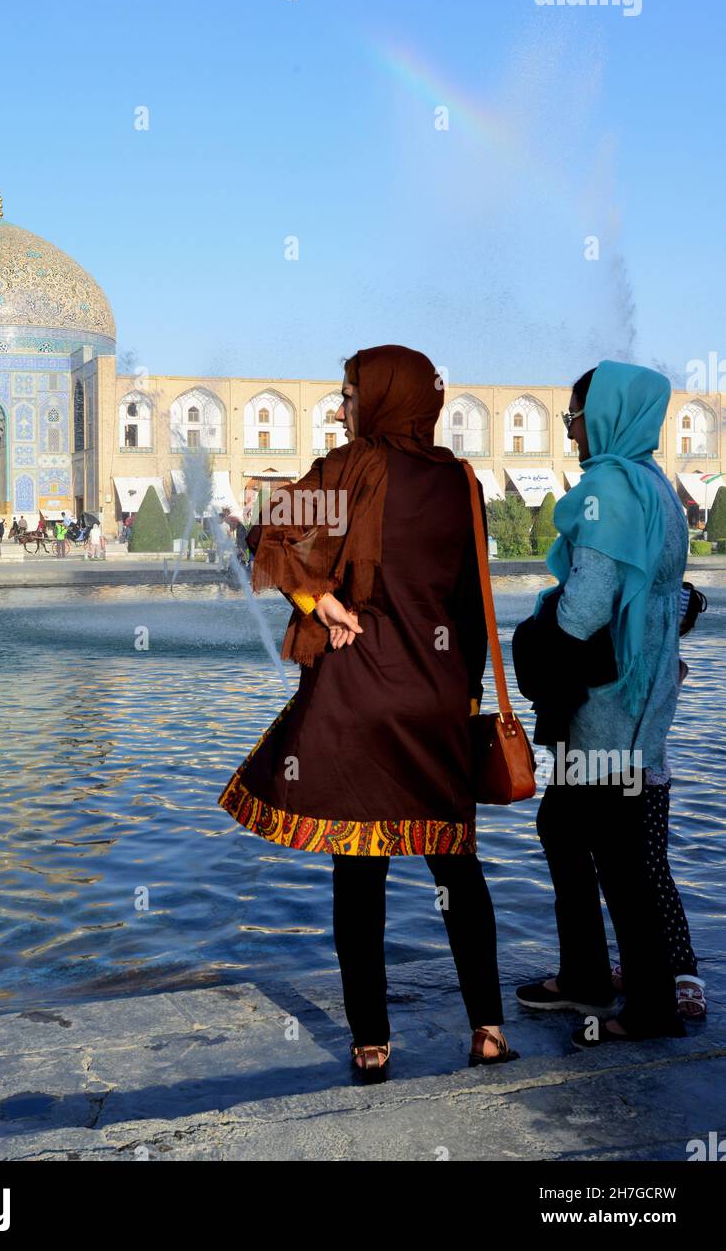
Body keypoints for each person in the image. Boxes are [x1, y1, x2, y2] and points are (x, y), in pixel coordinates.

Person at [218, 344, 518, 1075]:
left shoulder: (350, 469)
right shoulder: (461, 480)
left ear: (380, 398)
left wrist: (318, 597)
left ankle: (371, 1042)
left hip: (359, 687)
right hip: (437, 694)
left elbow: (267, 526)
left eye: (347, 394)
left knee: (360, 873)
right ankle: (487, 1029)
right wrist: (467, 691)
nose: (340, 407)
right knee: (456, 865)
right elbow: (472, 606)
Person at [512, 361, 694, 1047]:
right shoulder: (654, 486)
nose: (570, 430)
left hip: (600, 707)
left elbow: (586, 605)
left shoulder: (610, 487)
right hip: (640, 698)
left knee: (613, 857)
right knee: (565, 829)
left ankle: (646, 1006)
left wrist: (536, 642)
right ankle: (585, 974)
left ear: (608, 413)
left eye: (575, 414)